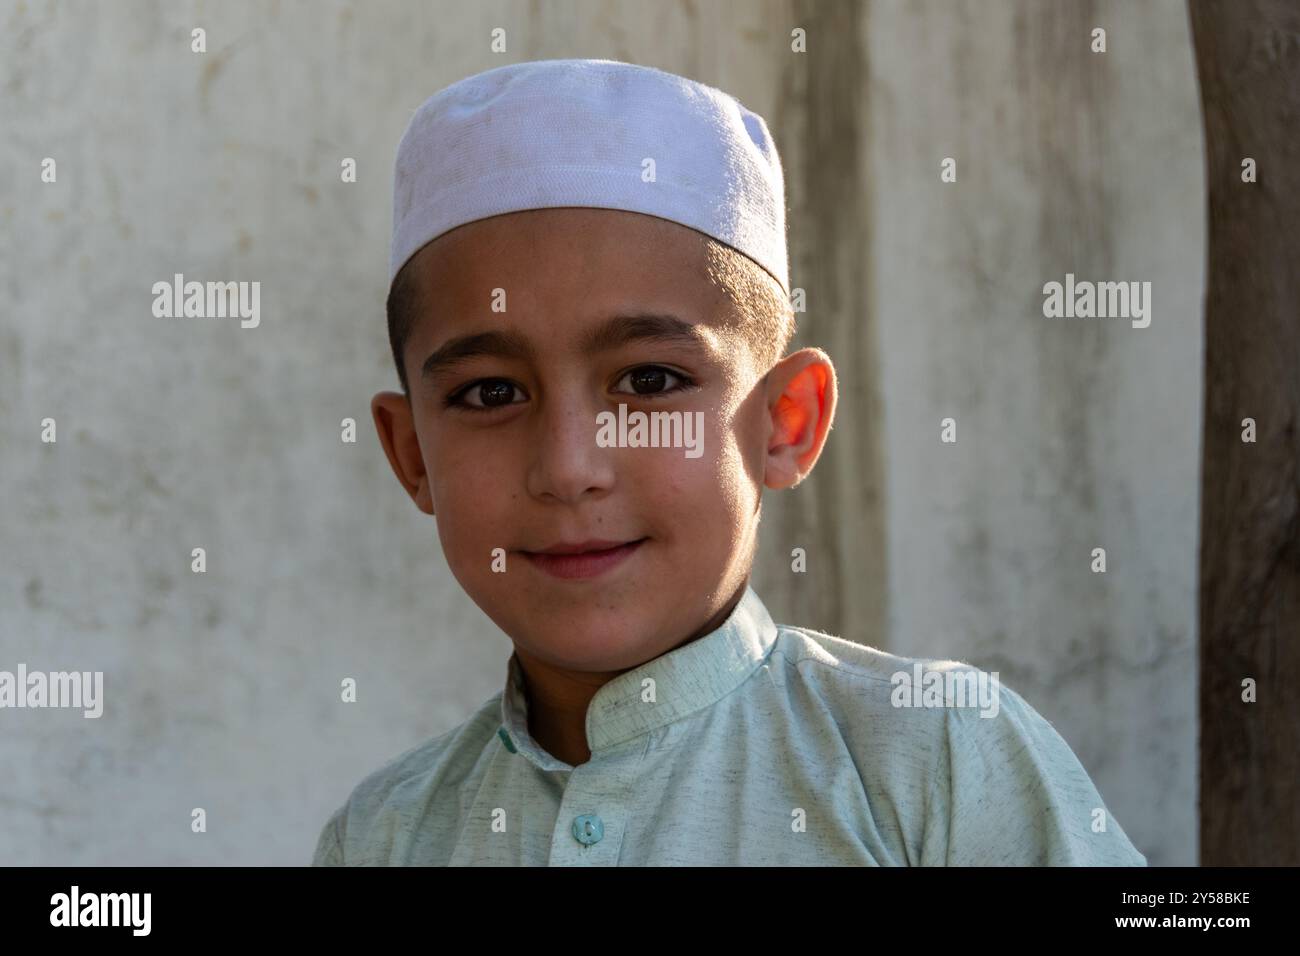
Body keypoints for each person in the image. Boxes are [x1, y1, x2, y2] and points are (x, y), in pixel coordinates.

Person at [311, 58, 1146, 866]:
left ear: (786, 421)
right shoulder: (386, 838)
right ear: (411, 452)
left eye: (649, 380)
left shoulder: (937, 761)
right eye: (492, 394)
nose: (570, 468)